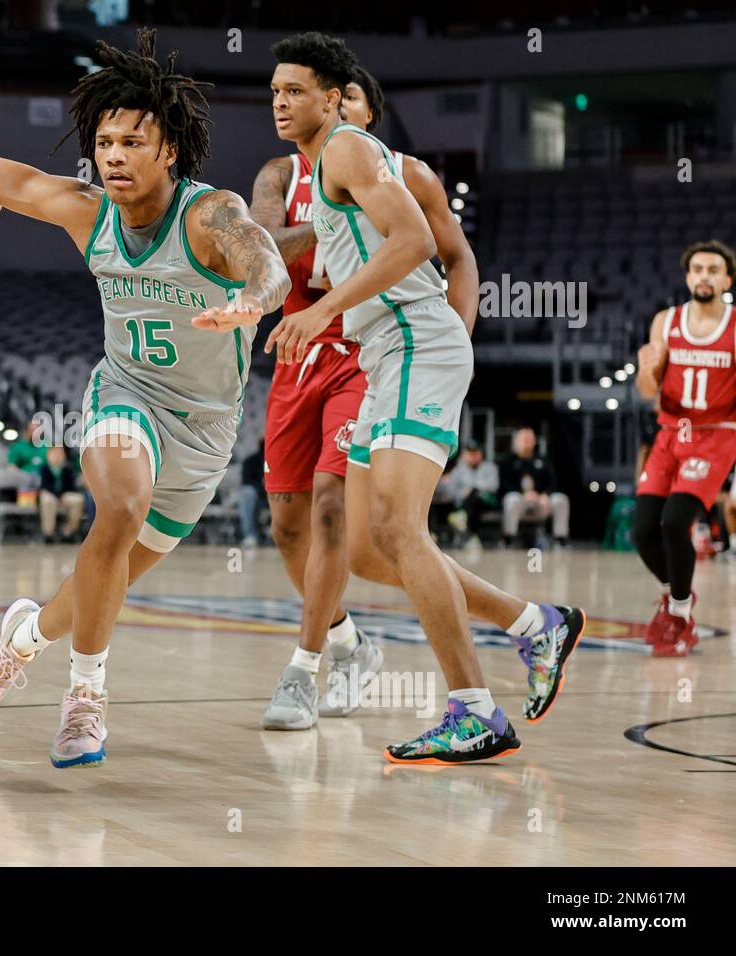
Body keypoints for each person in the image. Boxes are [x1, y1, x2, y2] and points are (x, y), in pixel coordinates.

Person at [206, 32, 583, 763]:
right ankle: (534, 623)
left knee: (400, 532)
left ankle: (474, 711)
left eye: (297, 90)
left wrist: (322, 311)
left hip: (413, 342)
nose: (281, 102)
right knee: (370, 546)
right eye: (275, 91)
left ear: (336, 97)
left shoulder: (348, 149)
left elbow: (415, 242)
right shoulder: (305, 170)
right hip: (387, 353)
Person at [0, 28, 290, 768]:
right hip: (124, 393)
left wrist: (253, 302)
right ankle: (85, 700)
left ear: (169, 150)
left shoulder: (209, 215)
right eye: (104, 141)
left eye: (133, 142)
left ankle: (21, 641)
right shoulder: (85, 210)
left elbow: (265, 260)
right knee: (119, 509)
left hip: (204, 433)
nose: (113, 155)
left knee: (96, 585)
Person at [253, 58, 482, 729]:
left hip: (370, 349)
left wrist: (455, 339)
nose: (336, 110)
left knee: (346, 514)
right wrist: (321, 220)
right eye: (278, 93)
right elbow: (263, 241)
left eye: (346, 98)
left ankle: (305, 668)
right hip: (301, 352)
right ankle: (355, 647)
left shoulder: (396, 172)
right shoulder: (283, 172)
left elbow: (449, 253)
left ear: (355, 110)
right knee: (296, 525)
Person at [633, 239, 736, 656]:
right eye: (697, 269)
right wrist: (646, 367)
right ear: (688, 276)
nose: (704, 276)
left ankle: (679, 615)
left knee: (676, 522)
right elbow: (647, 392)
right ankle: (677, 594)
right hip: (671, 432)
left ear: (727, 279)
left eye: (713, 269)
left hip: (716, 434)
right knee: (642, 531)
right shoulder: (666, 321)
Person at [500, 427, 570, 548]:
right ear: (516, 441)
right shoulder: (508, 461)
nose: (526, 442)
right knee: (511, 499)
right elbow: (504, 484)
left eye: (529, 439)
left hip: (541, 503)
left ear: (534, 441)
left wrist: (545, 495)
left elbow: (553, 482)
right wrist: (524, 494)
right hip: (520, 502)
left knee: (561, 499)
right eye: (524, 439)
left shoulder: (543, 460)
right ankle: (508, 540)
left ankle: (561, 540)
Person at [445, 439, 499, 543]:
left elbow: (493, 486)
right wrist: (465, 492)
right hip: (466, 502)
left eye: (475, 453)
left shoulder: (490, 467)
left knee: (475, 494)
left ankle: (462, 520)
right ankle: (472, 537)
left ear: (480, 453)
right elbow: (451, 491)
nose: (473, 456)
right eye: (470, 453)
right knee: (472, 502)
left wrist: (472, 488)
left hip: (486, 501)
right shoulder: (459, 469)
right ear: (465, 454)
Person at [39, 445, 85, 541]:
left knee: (78, 499)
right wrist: (58, 496)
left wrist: (62, 496)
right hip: (50, 494)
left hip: (65, 494)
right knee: (47, 500)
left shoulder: (67, 469)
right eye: (54, 453)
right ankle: (48, 533)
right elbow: (45, 486)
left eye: (60, 453)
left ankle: (69, 531)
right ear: (48, 455)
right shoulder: (44, 469)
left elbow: (71, 486)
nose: (57, 456)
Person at [237, 436, 266, 547]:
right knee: (247, 493)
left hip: (276, 496)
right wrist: (261, 489)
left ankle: (289, 535)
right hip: (258, 496)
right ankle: (250, 536)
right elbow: (247, 482)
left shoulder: (278, 461)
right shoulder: (250, 461)